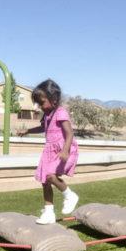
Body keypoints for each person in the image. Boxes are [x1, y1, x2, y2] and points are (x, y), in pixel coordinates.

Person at [17, 79, 79, 224]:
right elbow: (43, 128)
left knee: (51, 176)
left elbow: (69, 133)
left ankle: (70, 195)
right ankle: (49, 212)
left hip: (63, 149)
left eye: (42, 102)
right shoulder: (48, 114)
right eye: (38, 103)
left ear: (54, 100)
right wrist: (27, 131)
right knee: (45, 181)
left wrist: (65, 151)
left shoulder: (60, 112)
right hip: (50, 150)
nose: (40, 106)